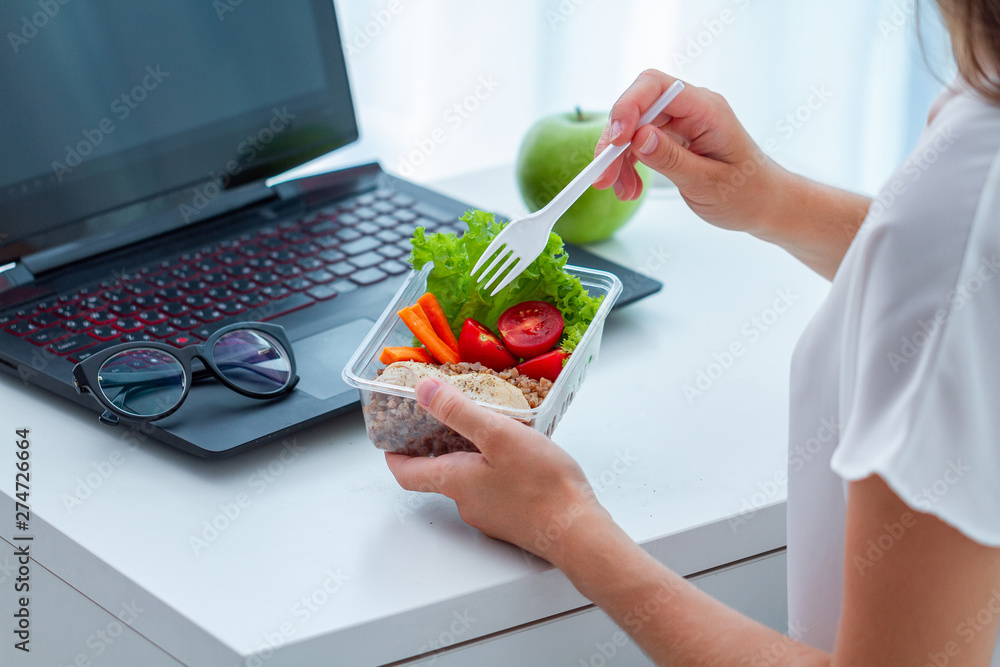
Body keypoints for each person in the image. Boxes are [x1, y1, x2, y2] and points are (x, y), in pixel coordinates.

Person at [387, 0, 1000, 663]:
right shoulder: (981, 106)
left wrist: (565, 526)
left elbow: (955, 262)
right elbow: (957, 280)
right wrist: (765, 196)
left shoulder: (970, 190)